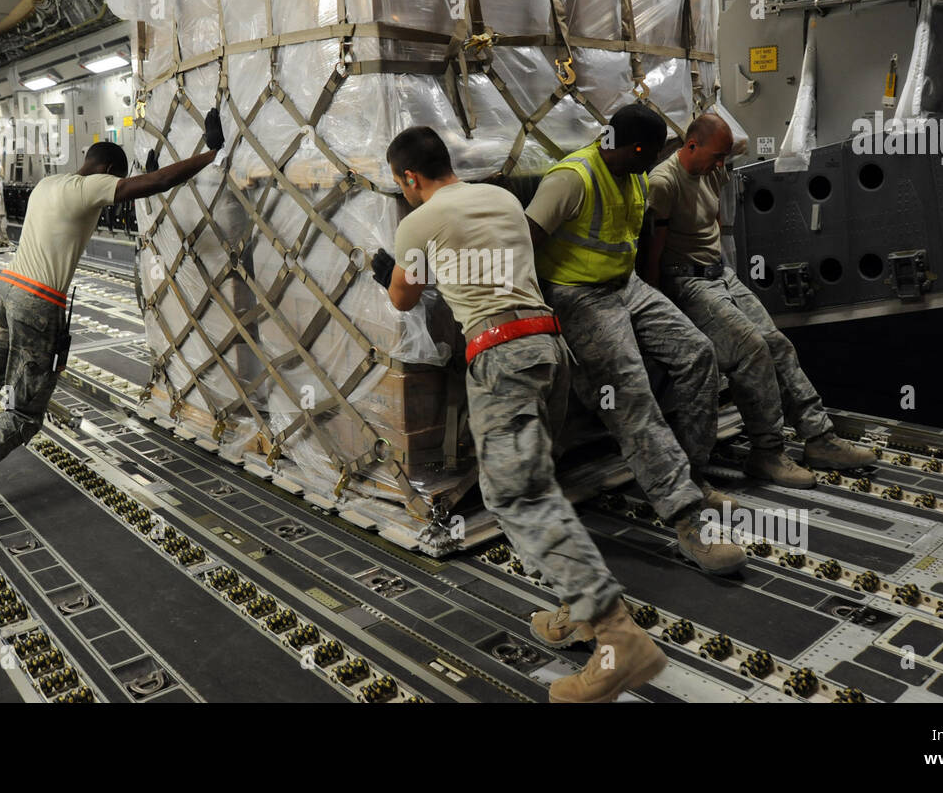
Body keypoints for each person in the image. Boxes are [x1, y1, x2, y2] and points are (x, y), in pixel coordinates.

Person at [373, 126, 666, 704]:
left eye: (401, 184)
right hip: (549, 347)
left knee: (517, 495)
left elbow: (405, 299)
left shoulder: (416, 221)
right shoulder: (502, 198)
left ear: (410, 178)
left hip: (501, 354)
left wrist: (390, 271)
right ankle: (577, 611)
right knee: (544, 484)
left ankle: (617, 637)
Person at [0, 108, 227, 523]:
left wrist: (149, 180)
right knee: (23, 415)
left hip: (2, 293)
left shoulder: (48, 184)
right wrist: (212, 155)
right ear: (108, 170)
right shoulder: (89, 186)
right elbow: (154, 182)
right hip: (36, 304)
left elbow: (146, 188)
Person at [525, 103, 746, 578]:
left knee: (698, 355)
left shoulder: (634, 175)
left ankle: (687, 475)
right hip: (578, 296)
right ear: (632, 148)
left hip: (625, 286)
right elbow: (524, 244)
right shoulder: (571, 179)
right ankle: (687, 519)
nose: (649, 168)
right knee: (630, 393)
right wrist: (538, 316)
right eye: (645, 158)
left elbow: (634, 238)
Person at [644, 112, 875, 482]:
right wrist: (656, 307)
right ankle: (767, 452)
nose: (722, 165)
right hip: (685, 282)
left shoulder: (712, 169)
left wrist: (718, 149)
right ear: (690, 145)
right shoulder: (663, 183)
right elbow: (652, 254)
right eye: (716, 156)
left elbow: (714, 219)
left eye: (723, 157)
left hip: (720, 274)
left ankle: (819, 438)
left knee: (777, 344)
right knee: (751, 349)